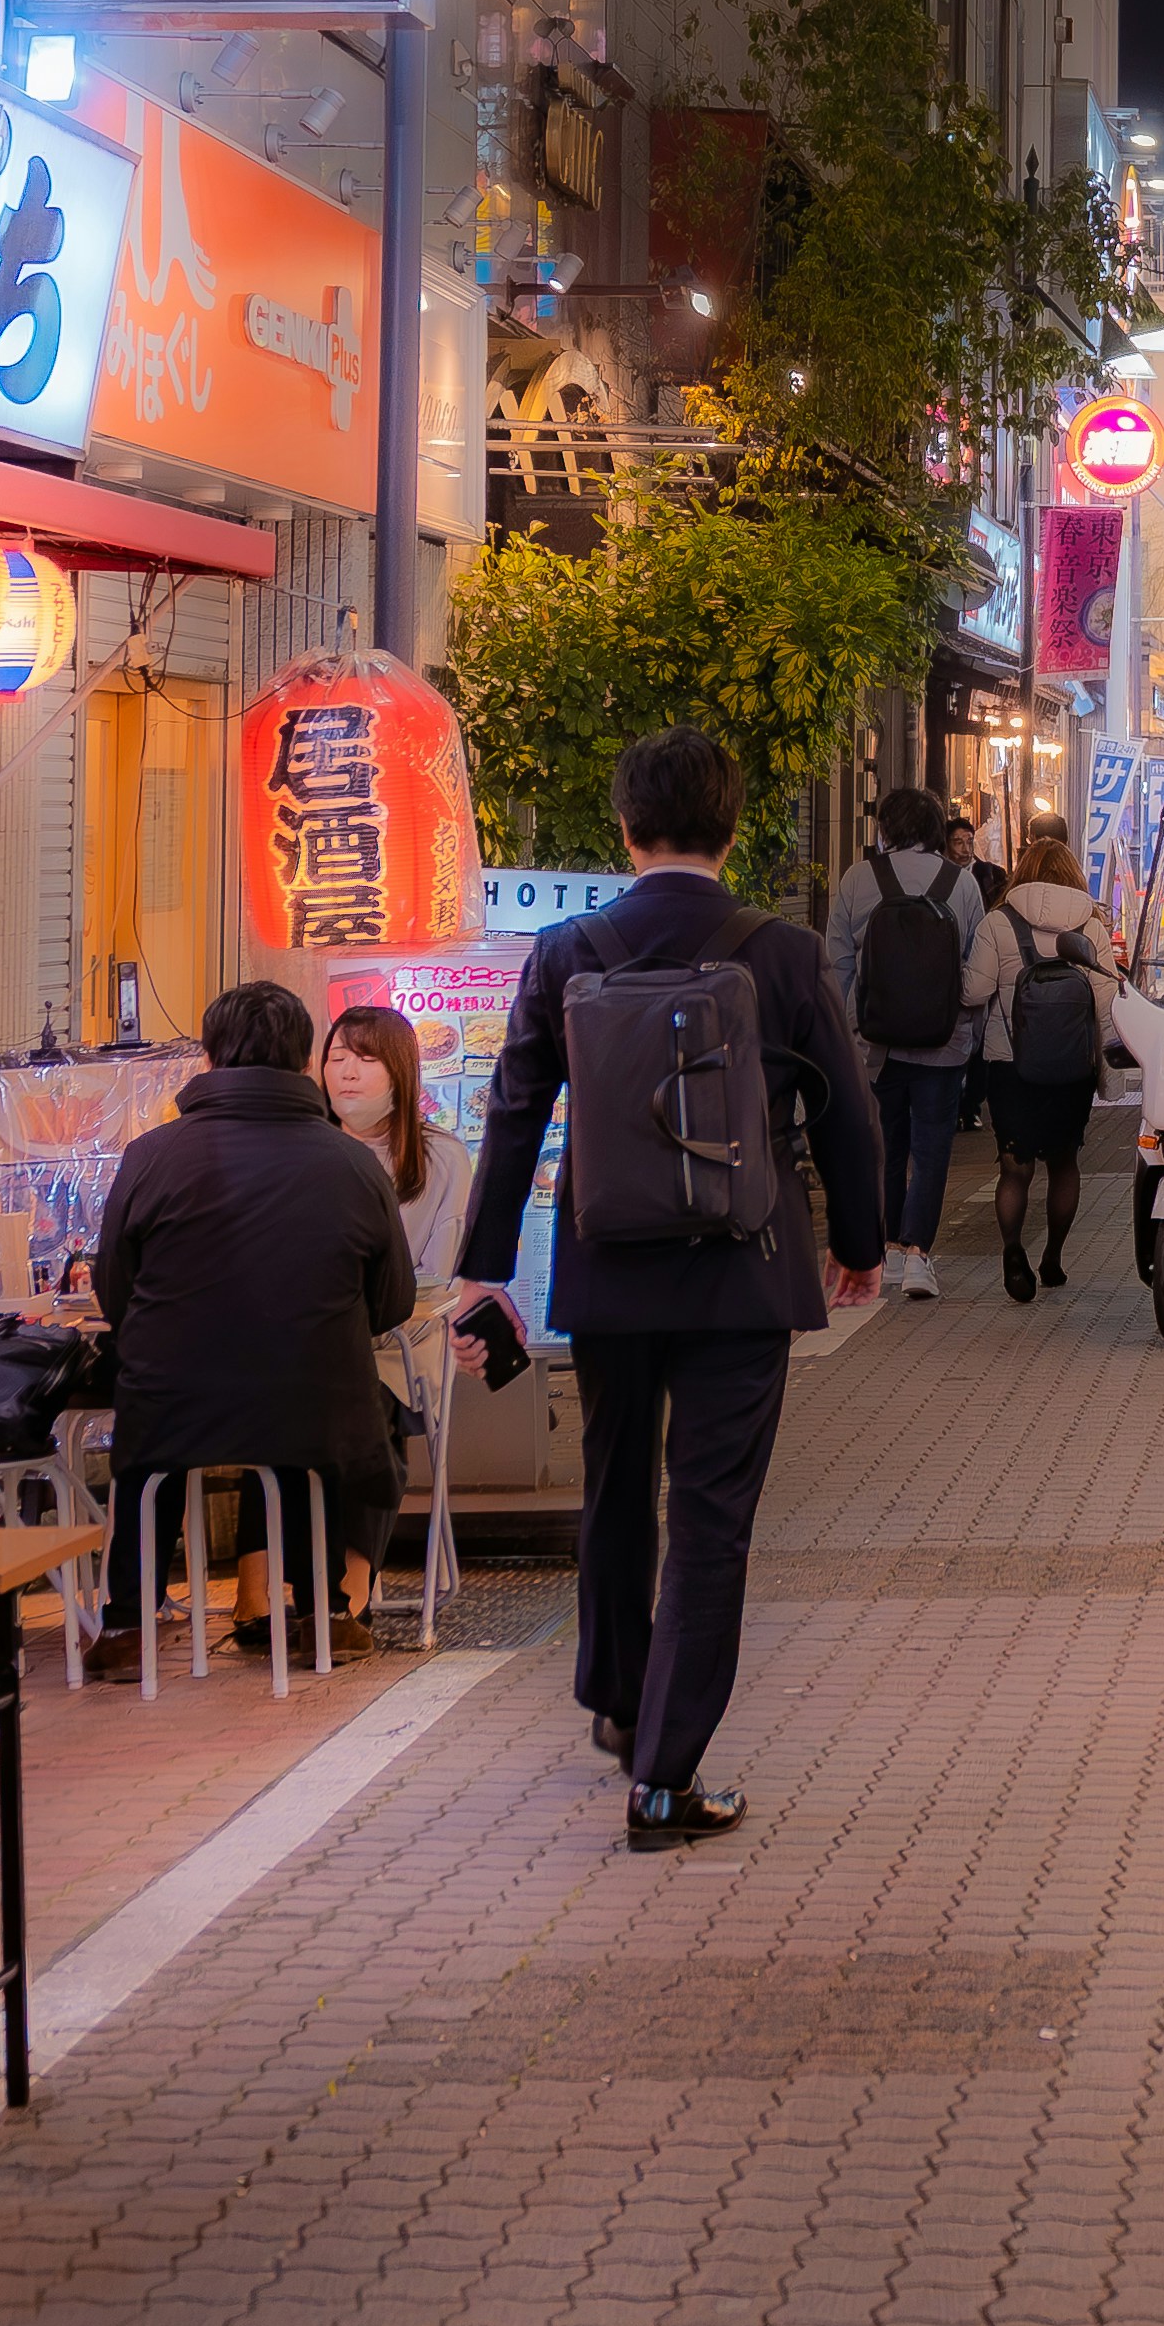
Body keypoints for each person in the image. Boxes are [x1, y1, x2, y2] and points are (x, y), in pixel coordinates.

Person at [455, 721, 887, 1851]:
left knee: (612, 1489)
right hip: (743, 1273)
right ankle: (666, 1775)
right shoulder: (780, 953)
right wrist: (862, 1241)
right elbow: (843, 1105)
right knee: (709, 1519)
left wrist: (484, 1271)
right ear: (732, 826)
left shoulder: (567, 952)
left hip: (609, 1269)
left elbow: (513, 1114)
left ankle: (614, 1693)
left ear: (625, 827)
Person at [86, 979, 412, 1676]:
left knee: (153, 1460)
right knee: (306, 1424)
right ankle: (322, 1614)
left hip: (171, 1402)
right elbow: (392, 1302)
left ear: (209, 1058)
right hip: (312, 1400)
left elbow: (114, 1290)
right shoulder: (352, 1163)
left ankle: (124, 1626)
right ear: (303, 1061)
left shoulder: (151, 1156)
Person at [318, 999, 473, 1625]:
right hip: (316, 1349)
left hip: (399, 1347)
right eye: (335, 1057)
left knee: (366, 1410)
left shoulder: (442, 1158)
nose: (346, 1072)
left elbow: (439, 1278)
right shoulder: (311, 1148)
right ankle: (272, 1591)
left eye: (366, 1058)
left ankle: (350, 1591)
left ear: (403, 1072)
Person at [827, 779, 984, 1296]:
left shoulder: (856, 879)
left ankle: (890, 1250)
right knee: (933, 1148)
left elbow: (840, 966)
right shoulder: (960, 883)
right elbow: (974, 970)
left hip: (876, 1042)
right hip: (944, 1041)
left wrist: (844, 1036)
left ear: (886, 829)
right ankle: (919, 1255)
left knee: (888, 1147)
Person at [965, 824, 1121, 1301]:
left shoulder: (997, 922)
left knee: (1014, 1170)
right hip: (1071, 1067)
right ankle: (1053, 1255)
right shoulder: (1091, 925)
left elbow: (973, 992)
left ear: (1024, 873)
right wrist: (1111, 1070)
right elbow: (1107, 1002)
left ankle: (1013, 1253)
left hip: (1010, 1065)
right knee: (1064, 1163)